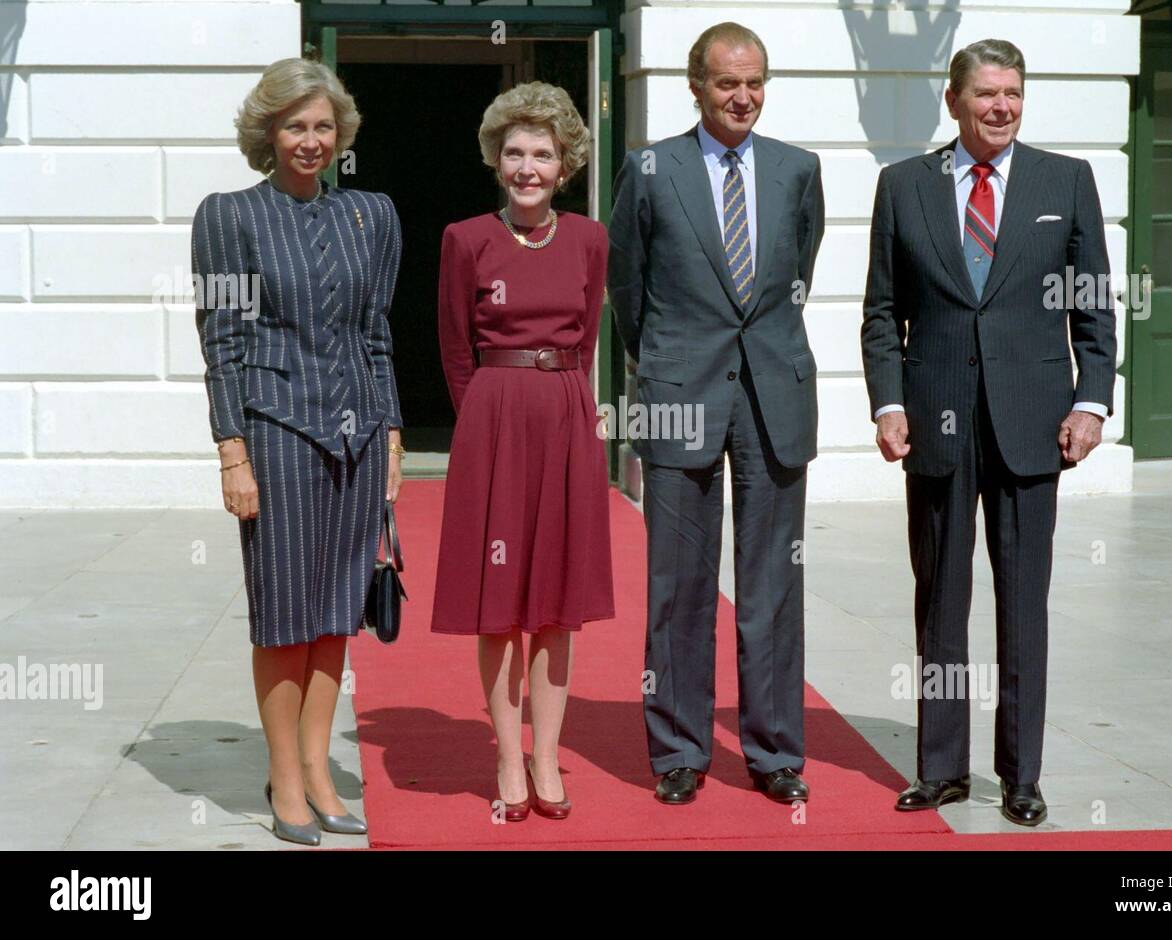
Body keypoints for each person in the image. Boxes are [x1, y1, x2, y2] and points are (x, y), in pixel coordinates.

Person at [861, 39, 1117, 826]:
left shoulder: (1065, 181)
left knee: (1022, 606)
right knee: (939, 600)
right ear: (954, 101)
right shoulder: (902, 186)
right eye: (986, 95)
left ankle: (1021, 775)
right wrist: (888, 404)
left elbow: (1095, 309)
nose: (1001, 107)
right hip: (935, 421)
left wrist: (1092, 404)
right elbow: (880, 314)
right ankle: (940, 768)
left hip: (1033, 424)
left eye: (1012, 94)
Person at [607, 22, 826, 806]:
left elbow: (795, 272)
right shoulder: (651, 167)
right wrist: (666, 361)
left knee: (773, 587)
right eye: (728, 82)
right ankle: (678, 748)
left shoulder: (799, 170)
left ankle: (773, 752)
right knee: (677, 586)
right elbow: (627, 289)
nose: (743, 97)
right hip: (679, 396)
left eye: (756, 82)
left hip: (773, 398)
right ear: (695, 85)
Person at [193, 57, 405, 845]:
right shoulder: (229, 216)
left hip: (355, 435)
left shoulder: (371, 216)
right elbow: (223, 343)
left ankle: (319, 768)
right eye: (294, 126)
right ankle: (285, 777)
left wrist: (389, 434)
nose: (310, 141)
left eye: (322, 126)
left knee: (335, 613)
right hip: (276, 432)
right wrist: (231, 452)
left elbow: (376, 336)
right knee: (284, 616)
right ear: (268, 132)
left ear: (339, 133)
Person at [432, 82, 614, 822]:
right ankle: (508, 753)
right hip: (494, 421)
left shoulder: (591, 239)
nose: (528, 166)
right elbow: (452, 347)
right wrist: (482, 425)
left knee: (558, 607)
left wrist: (574, 410)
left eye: (542, 153)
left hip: (566, 416)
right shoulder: (465, 238)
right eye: (515, 152)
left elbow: (589, 337)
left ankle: (547, 755)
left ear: (564, 164)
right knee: (499, 606)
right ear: (495, 159)